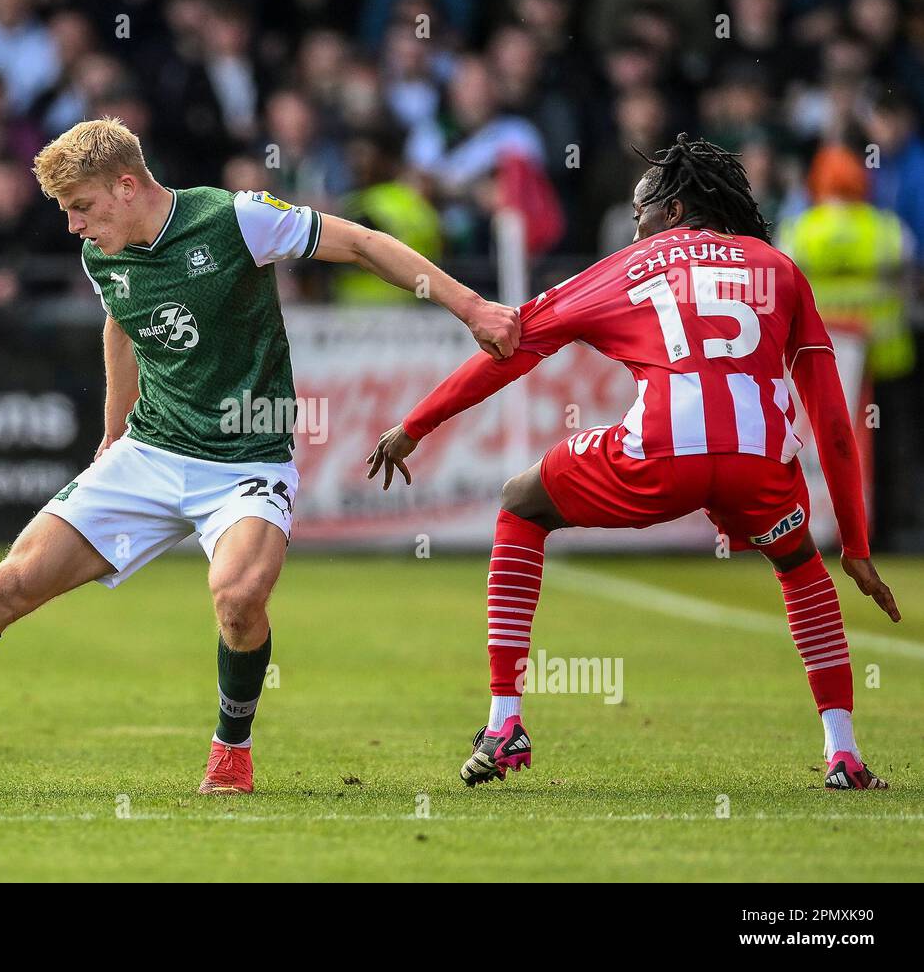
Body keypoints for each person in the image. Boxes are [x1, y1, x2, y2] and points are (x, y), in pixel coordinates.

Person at [0, 116, 520, 795]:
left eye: (82, 208)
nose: (73, 226)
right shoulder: (106, 253)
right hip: (150, 452)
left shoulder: (236, 220)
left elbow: (361, 242)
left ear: (127, 186)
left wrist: (472, 306)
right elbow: (121, 327)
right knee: (8, 585)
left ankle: (232, 747)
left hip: (248, 458)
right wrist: (111, 432)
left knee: (238, 599)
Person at [367, 135, 900, 791]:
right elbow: (834, 422)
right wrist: (855, 542)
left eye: (641, 206)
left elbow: (509, 345)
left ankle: (506, 720)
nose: (634, 219)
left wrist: (414, 425)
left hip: (661, 457)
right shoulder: (777, 268)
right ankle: (842, 753)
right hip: (759, 468)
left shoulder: (633, 263)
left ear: (672, 212)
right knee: (801, 569)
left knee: (520, 503)